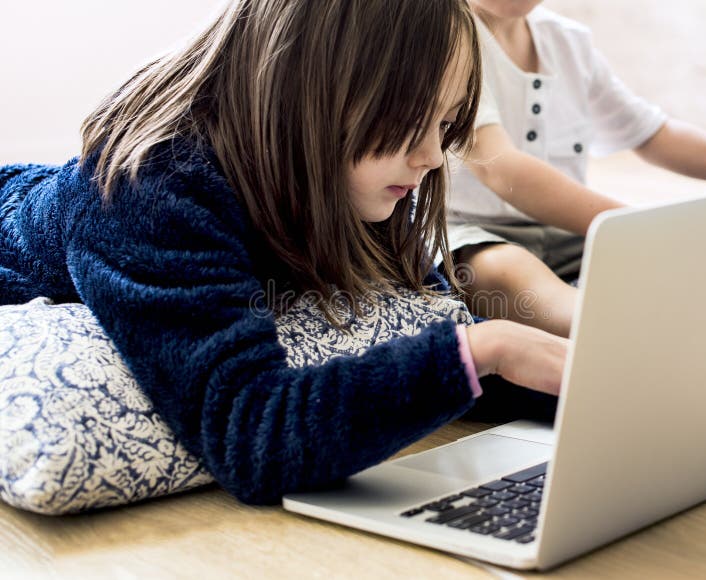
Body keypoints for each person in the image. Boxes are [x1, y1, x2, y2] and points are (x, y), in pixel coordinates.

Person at [0, 0, 570, 505]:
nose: (429, 154)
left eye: (443, 124)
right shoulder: (149, 188)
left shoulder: (352, 178)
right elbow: (250, 439)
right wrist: (485, 344)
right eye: (405, 120)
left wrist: (619, 390)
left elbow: (466, 356)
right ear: (305, 90)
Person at [447, 0, 706, 338]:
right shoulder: (448, 39)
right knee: (505, 271)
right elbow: (502, 170)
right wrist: (636, 225)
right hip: (474, 233)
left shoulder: (566, 40)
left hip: (567, 233)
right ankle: (614, 332)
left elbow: (650, 130)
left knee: (668, 269)